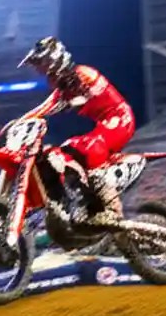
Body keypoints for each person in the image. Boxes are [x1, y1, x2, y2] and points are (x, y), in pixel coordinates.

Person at [11, 37, 135, 223]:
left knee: (90, 146)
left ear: (54, 61)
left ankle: (113, 208)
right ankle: (80, 200)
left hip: (120, 119)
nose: (42, 72)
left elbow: (85, 94)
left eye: (42, 66)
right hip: (103, 125)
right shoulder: (63, 90)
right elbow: (42, 109)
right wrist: (17, 123)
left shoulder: (83, 74)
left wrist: (71, 98)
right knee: (64, 151)